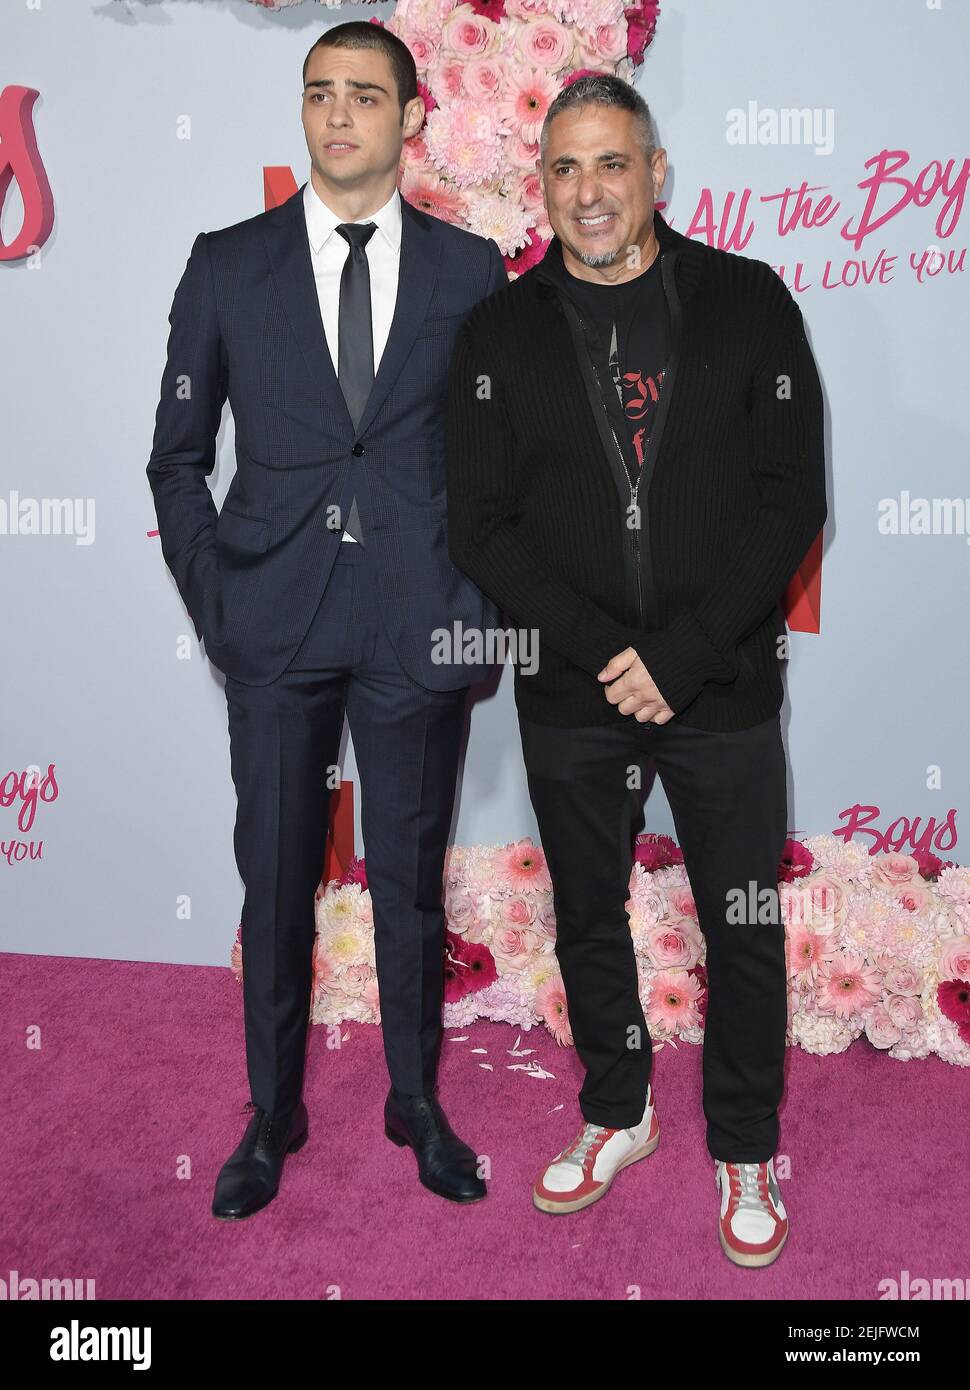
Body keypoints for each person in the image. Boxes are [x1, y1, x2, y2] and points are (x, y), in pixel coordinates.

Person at [444, 73, 826, 1267]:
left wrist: (679, 653)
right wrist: (609, 654)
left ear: (657, 172)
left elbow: (788, 503)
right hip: (573, 690)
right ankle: (617, 1110)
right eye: (563, 169)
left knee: (743, 919)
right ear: (539, 185)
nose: (588, 191)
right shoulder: (496, 333)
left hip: (717, 686)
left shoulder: (749, 301)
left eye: (611, 163)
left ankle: (746, 1141)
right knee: (588, 917)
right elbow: (482, 527)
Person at [147, 22, 507, 1220]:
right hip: (275, 622)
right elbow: (176, 460)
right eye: (320, 94)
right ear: (301, 111)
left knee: (406, 882)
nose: (340, 115)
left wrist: (480, 610)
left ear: (411, 118)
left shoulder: (470, 270)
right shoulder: (226, 264)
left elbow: (509, 463)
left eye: (366, 96)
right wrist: (219, 601)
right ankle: (272, 1110)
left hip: (417, 623)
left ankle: (418, 1100)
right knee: (274, 879)